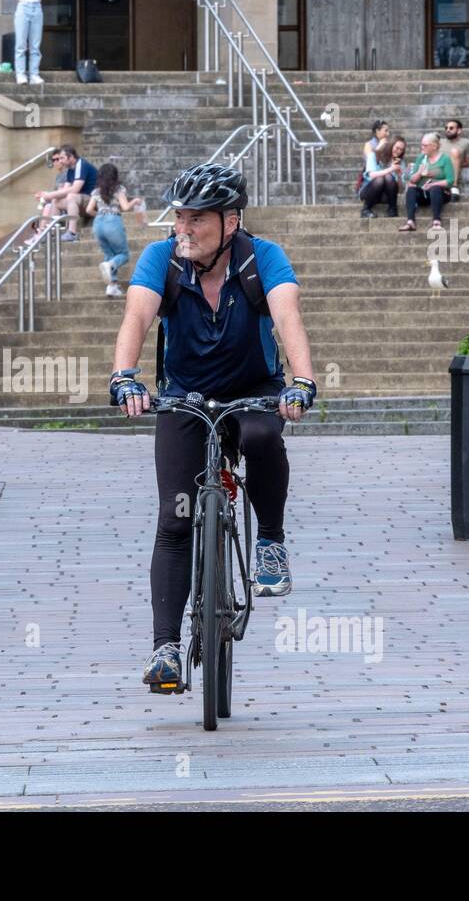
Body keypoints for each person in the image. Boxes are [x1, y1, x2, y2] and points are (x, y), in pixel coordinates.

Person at [108, 162, 317, 691]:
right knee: (175, 518)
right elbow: (136, 316)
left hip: (254, 390)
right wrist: (124, 376)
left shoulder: (261, 257)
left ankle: (270, 539)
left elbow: (287, 314)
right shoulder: (163, 259)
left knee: (263, 434)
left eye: (197, 219)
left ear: (231, 222)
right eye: (180, 217)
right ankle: (166, 650)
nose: (184, 229)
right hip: (184, 397)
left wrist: (302, 381)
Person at [86, 162, 143, 297]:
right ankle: (110, 266)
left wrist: (101, 215)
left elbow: (89, 210)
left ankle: (112, 286)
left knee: (109, 256)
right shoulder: (118, 189)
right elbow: (125, 207)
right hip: (113, 221)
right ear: (114, 176)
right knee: (123, 255)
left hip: (98, 223)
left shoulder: (96, 191)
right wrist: (134, 201)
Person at [0, 0, 48, 86]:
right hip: (23, 9)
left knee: (35, 46)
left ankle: (34, 75)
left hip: (37, 9)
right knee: (21, 45)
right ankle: (20, 74)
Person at [33, 144, 96, 242]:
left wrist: (49, 195)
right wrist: (49, 196)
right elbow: (64, 190)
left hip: (93, 201)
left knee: (71, 196)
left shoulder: (81, 165)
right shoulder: (70, 170)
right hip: (82, 201)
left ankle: (72, 232)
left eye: (62, 158)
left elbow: (75, 189)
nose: (60, 161)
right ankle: (50, 233)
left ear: (71, 157)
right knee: (56, 200)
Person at [399, 132, 455, 232]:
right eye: (421, 144)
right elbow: (412, 180)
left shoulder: (445, 159)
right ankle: (410, 221)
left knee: (435, 188)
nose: (422, 147)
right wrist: (419, 173)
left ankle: (436, 221)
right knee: (411, 189)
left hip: (441, 193)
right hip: (424, 193)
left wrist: (433, 184)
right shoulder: (421, 158)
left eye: (425, 145)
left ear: (433, 146)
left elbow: (450, 180)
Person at [359, 135, 406, 218]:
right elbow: (372, 175)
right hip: (369, 192)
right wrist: (390, 169)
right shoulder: (373, 155)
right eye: (397, 148)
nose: (399, 151)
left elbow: (401, 190)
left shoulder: (400, 162)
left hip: (386, 196)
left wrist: (398, 175)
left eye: (401, 150)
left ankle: (392, 209)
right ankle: (366, 209)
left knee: (389, 178)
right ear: (391, 145)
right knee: (381, 178)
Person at [443, 118, 469, 200]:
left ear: (459, 130)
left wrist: (453, 164)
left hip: (454, 167)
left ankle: (454, 185)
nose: (448, 130)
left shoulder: (466, 143)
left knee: (454, 152)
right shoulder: (439, 142)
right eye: (446, 128)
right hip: (439, 167)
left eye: (451, 128)